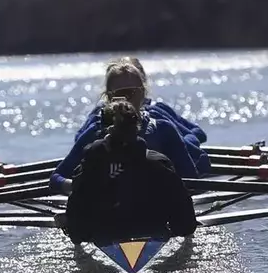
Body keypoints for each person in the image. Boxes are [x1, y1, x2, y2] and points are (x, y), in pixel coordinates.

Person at [51, 56, 209, 192]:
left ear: (143, 94)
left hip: (155, 210)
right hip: (106, 212)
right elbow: (56, 178)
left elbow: (191, 180)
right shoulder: (94, 132)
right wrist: (77, 187)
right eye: (120, 94)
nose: (126, 100)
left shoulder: (164, 129)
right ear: (108, 97)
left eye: (132, 92)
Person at [62, 97, 199, 244]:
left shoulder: (89, 165)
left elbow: (76, 231)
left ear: (103, 131)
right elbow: (186, 225)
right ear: (137, 128)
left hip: (104, 235)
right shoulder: (159, 163)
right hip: (153, 231)